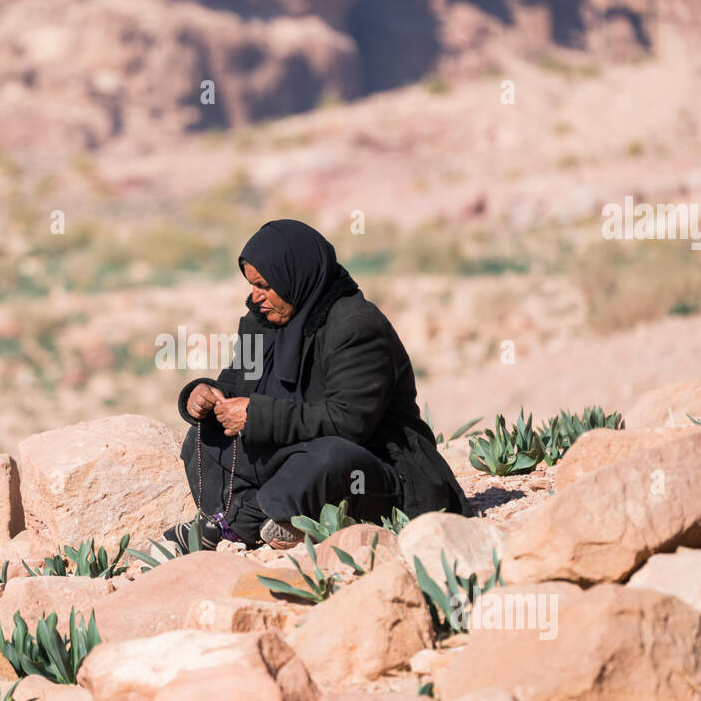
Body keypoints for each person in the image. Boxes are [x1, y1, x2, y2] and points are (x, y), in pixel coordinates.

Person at [164, 218, 471, 552]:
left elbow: (348, 424)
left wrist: (257, 416)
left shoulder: (355, 327)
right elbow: (236, 382)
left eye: (265, 285)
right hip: (295, 452)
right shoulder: (261, 321)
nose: (256, 296)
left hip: (376, 474)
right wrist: (204, 394)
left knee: (328, 457)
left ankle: (238, 526)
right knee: (204, 435)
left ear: (294, 277)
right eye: (252, 285)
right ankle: (247, 519)